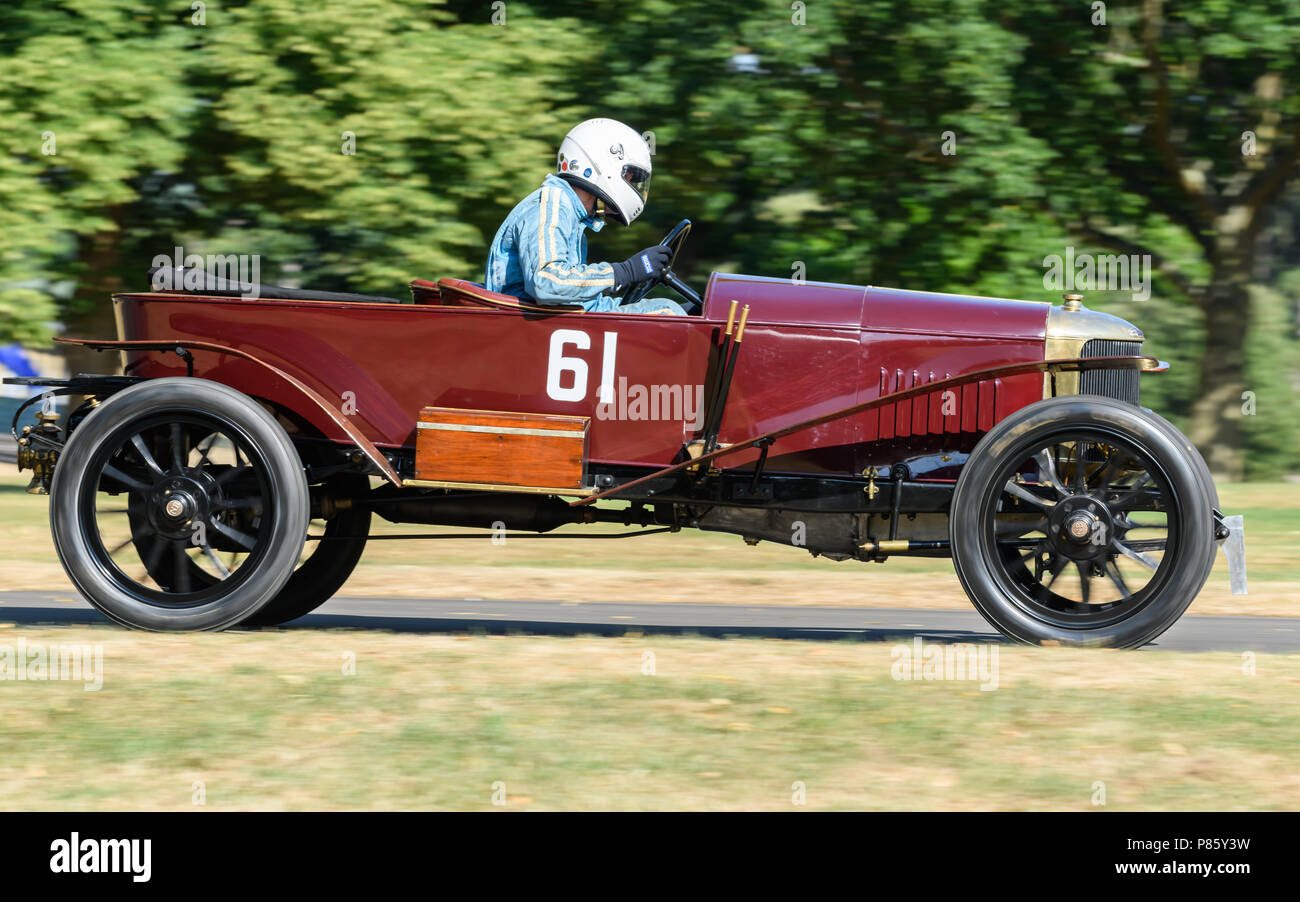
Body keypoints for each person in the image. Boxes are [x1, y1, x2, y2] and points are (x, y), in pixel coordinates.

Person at [485, 118, 686, 315]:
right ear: (600, 162)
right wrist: (623, 272)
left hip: (553, 320)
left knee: (686, 311)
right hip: (530, 327)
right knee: (667, 313)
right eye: (629, 176)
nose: (632, 184)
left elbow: (582, 303)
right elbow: (546, 282)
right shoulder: (551, 206)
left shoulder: (571, 214)